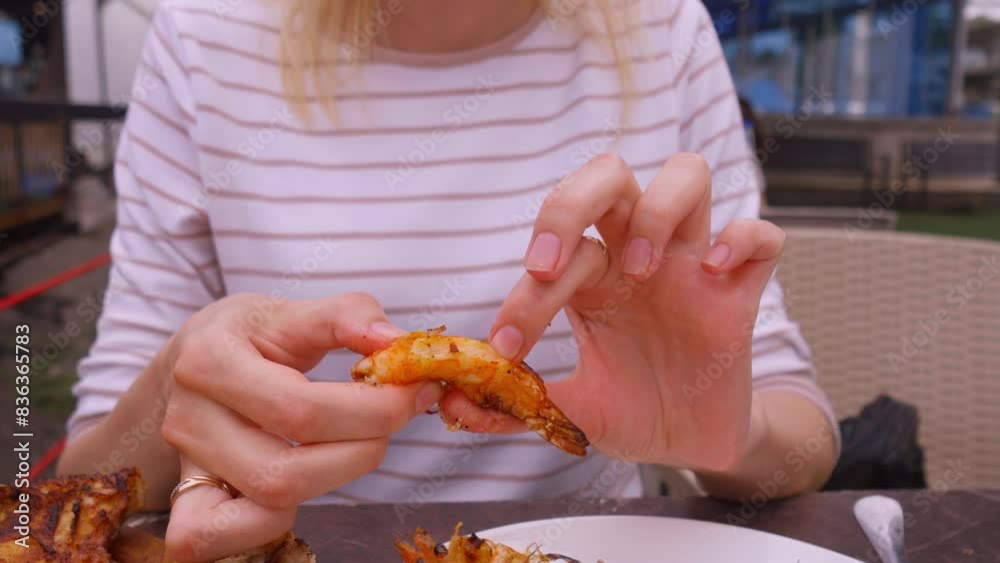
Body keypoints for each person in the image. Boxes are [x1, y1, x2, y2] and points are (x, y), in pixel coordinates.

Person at [56, 0, 840, 560]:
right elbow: (83, 486)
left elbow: (802, 442)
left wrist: (716, 423)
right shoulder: (201, 36)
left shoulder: (664, 27)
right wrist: (176, 381)